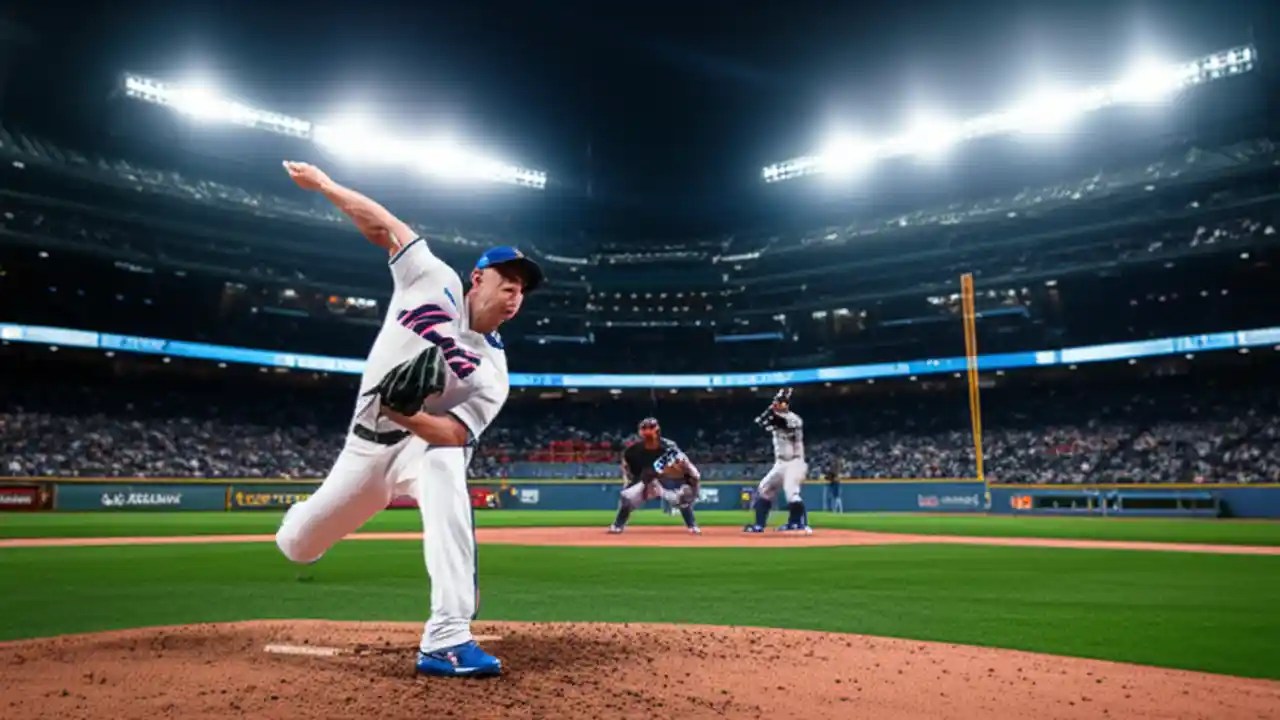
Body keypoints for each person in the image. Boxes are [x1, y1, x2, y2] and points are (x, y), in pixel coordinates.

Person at [273, 161, 543, 678]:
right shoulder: (433, 280)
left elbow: (454, 433)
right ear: (477, 278)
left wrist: (406, 412)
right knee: (299, 545)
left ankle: (447, 636)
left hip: (421, 445)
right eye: (507, 284)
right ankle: (300, 518)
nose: (515, 297)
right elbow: (383, 226)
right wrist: (325, 185)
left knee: (446, 465)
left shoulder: (494, 371)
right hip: (364, 449)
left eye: (521, 291)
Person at [609, 417, 702, 534]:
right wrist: (631, 483)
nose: (648, 431)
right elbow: (630, 469)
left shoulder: (669, 446)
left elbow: (680, 465)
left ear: (657, 430)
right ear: (640, 431)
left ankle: (692, 525)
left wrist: (688, 478)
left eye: (651, 427)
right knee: (627, 498)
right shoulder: (634, 450)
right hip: (646, 479)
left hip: (666, 479)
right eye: (645, 428)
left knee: (682, 498)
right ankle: (618, 525)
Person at [744, 388, 812, 534]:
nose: (781, 406)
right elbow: (760, 422)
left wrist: (773, 407)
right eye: (779, 403)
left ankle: (798, 524)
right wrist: (772, 406)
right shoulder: (775, 416)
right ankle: (759, 525)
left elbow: (778, 422)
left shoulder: (794, 419)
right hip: (780, 463)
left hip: (795, 462)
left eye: (783, 403)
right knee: (765, 488)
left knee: (791, 493)